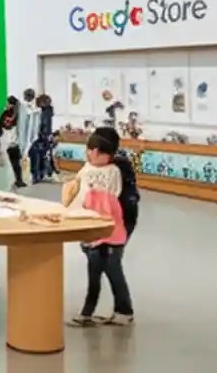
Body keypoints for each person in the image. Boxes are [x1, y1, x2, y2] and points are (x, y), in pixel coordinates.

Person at [64, 130, 132, 327]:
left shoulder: (114, 172)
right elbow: (77, 193)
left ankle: (123, 311)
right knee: (94, 272)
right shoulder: (85, 170)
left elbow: (112, 198)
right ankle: (88, 312)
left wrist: (92, 199)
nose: (91, 154)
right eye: (90, 150)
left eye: (96, 151)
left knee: (113, 270)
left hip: (108, 231)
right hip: (90, 230)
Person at [13, 89, 39, 188]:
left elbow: (21, 126)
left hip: (24, 138)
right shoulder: (35, 109)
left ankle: (24, 179)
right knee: (26, 158)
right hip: (30, 138)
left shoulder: (23, 108)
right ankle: (27, 179)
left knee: (23, 158)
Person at [29, 94, 57, 184]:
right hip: (45, 137)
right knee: (43, 156)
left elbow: (42, 125)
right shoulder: (48, 111)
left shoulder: (44, 113)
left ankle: (37, 175)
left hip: (41, 138)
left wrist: (41, 135)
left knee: (36, 157)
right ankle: (42, 173)